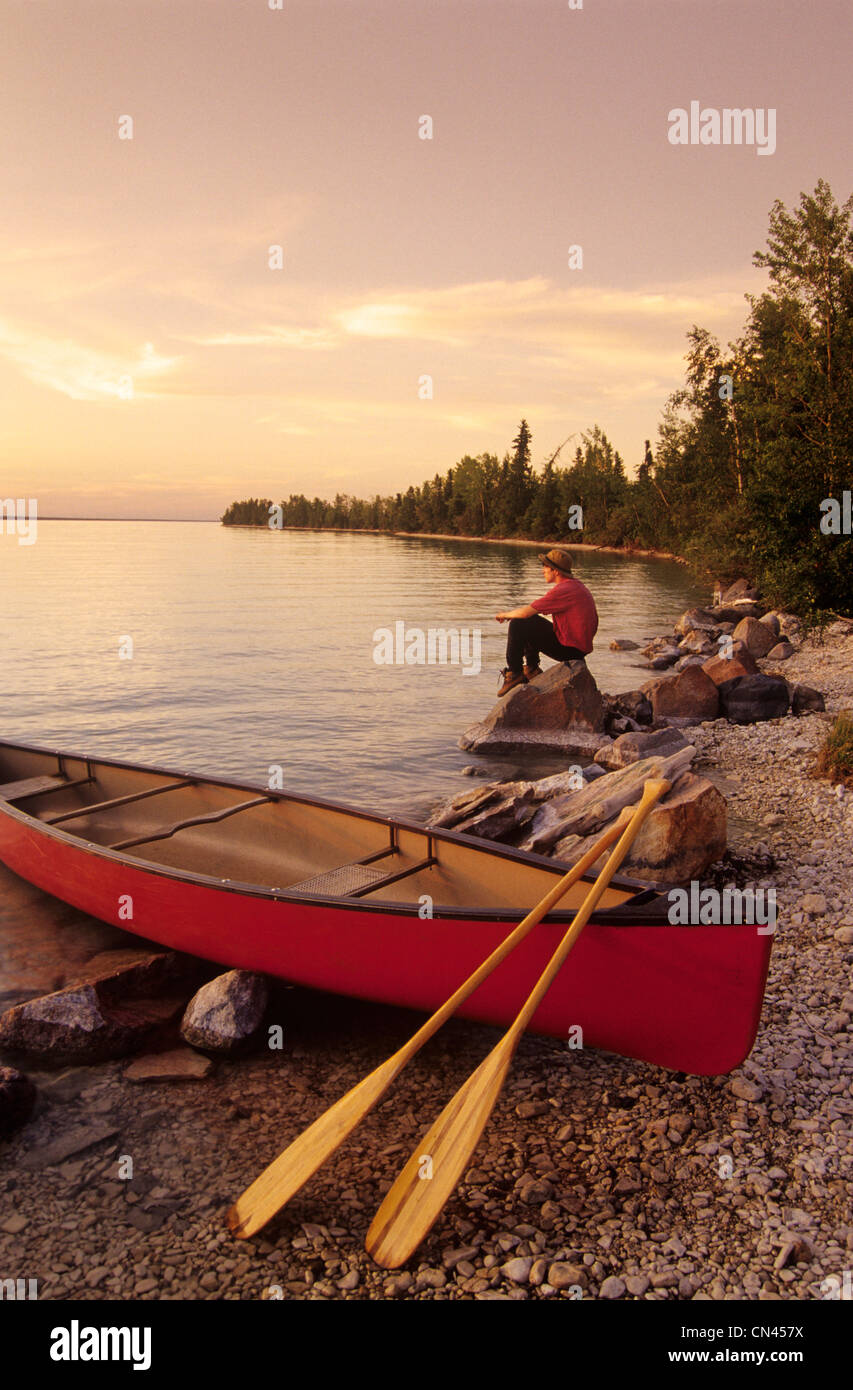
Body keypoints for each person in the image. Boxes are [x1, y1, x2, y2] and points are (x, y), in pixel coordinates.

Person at [495, 548, 598, 696]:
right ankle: (531, 669)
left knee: (519, 624)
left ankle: (515, 673)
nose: (542, 570)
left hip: (570, 651)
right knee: (528, 622)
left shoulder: (564, 590)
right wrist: (515, 614)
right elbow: (530, 612)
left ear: (556, 571)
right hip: (578, 649)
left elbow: (525, 613)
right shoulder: (575, 586)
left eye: (545, 567)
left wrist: (505, 615)